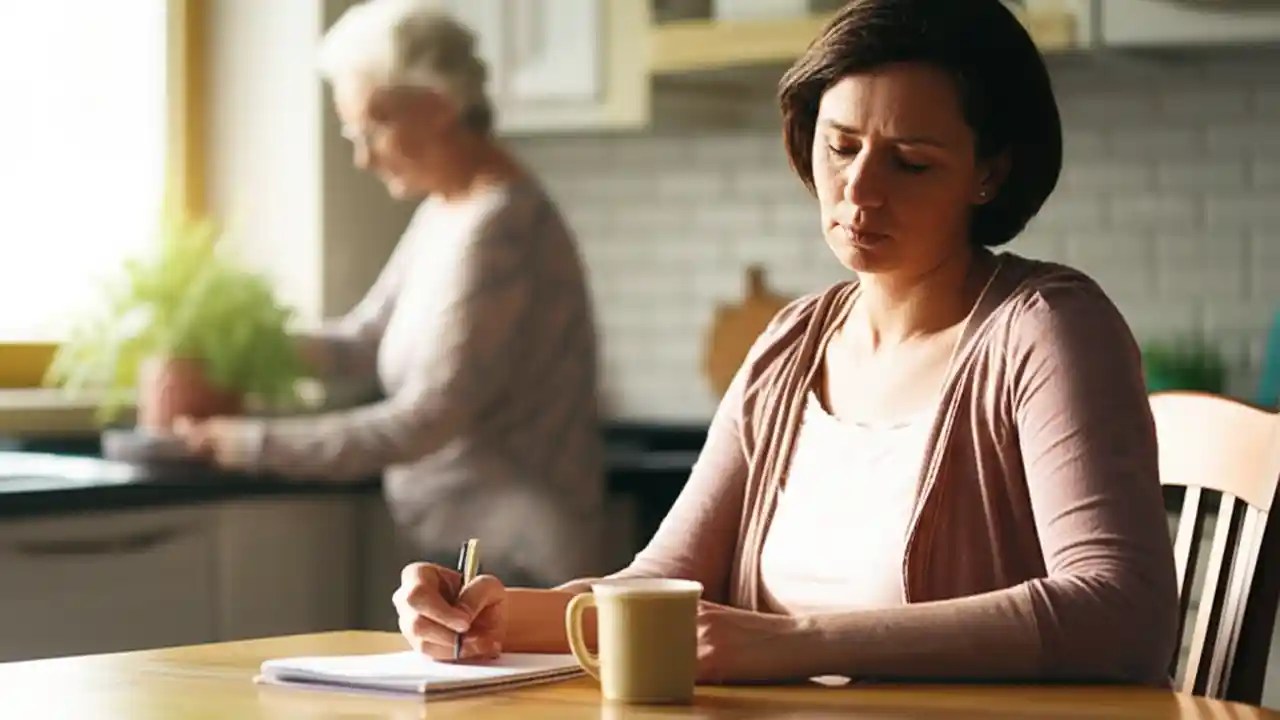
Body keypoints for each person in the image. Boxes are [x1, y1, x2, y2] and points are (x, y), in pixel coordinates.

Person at [391, 0, 1182, 686]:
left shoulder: (1046, 329)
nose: (860, 191)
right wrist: (496, 617)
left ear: (989, 173)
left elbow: (1120, 612)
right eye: (839, 147)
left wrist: (790, 645)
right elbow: (664, 583)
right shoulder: (791, 343)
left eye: (910, 163)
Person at [175, 0, 608, 587]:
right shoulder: (449, 210)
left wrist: (250, 443)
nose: (363, 155)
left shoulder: (504, 228)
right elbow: (361, 340)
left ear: (436, 107)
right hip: (461, 547)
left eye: (373, 126)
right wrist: (235, 343)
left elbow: (425, 419)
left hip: (518, 560)